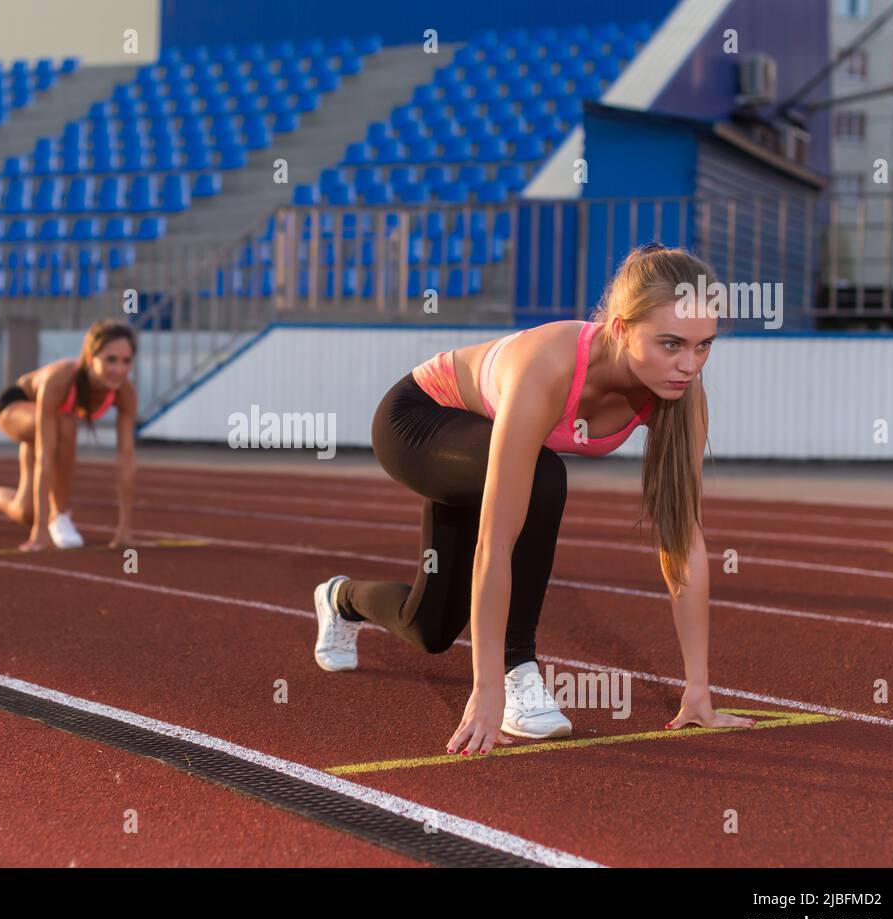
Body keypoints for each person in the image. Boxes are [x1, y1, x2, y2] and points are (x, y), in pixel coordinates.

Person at [312, 243, 753, 757]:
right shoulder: (550, 366)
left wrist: (697, 689)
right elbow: (497, 541)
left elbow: (683, 537)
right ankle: (520, 671)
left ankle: (340, 600)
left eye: (704, 346)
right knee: (544, 478)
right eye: (671, 344)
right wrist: (489, 687)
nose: (688, 364)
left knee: (428, 627)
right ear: (619, 329)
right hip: (419, 421)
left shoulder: (680, 394)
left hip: (484, 443)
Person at [0, 318, 138, 552]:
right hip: (18, 407)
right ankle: (60, 516)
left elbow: (126, 461)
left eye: (126, 361)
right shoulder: (60, 380)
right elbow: (46, 455)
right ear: (90, 356)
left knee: (26, 512)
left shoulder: (125, 392)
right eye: (110, 360)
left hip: (52, 423)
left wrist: (124, 529)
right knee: (65, 424)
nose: (119, 369)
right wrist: (41, 530)